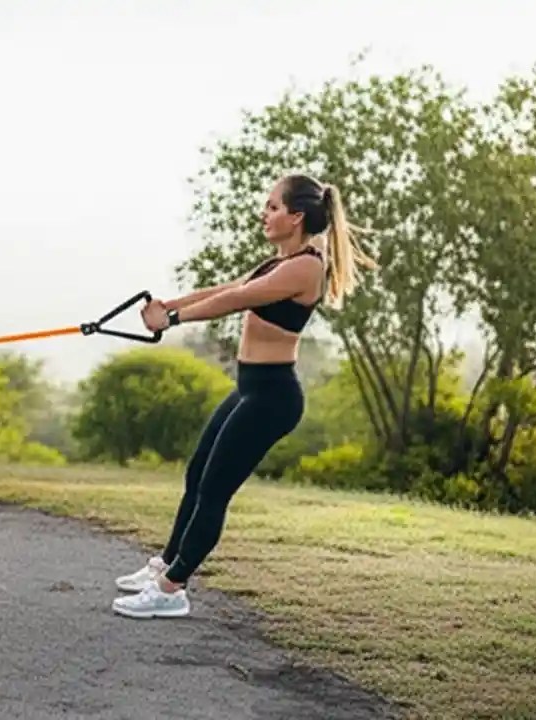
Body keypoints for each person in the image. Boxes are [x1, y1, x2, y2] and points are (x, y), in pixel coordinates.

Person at [110, 173, 375, 619]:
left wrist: (173, 322)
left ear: (295, 216)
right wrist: (168, 305)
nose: (263, 214)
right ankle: (165, 564)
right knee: (198, 475)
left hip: (272, 397)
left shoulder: (305, 266)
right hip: (250, 388)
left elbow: (238, 300)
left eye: (272, 207)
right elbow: (225, 289)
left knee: (214, 491)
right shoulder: (281, 260)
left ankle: (172, 589)